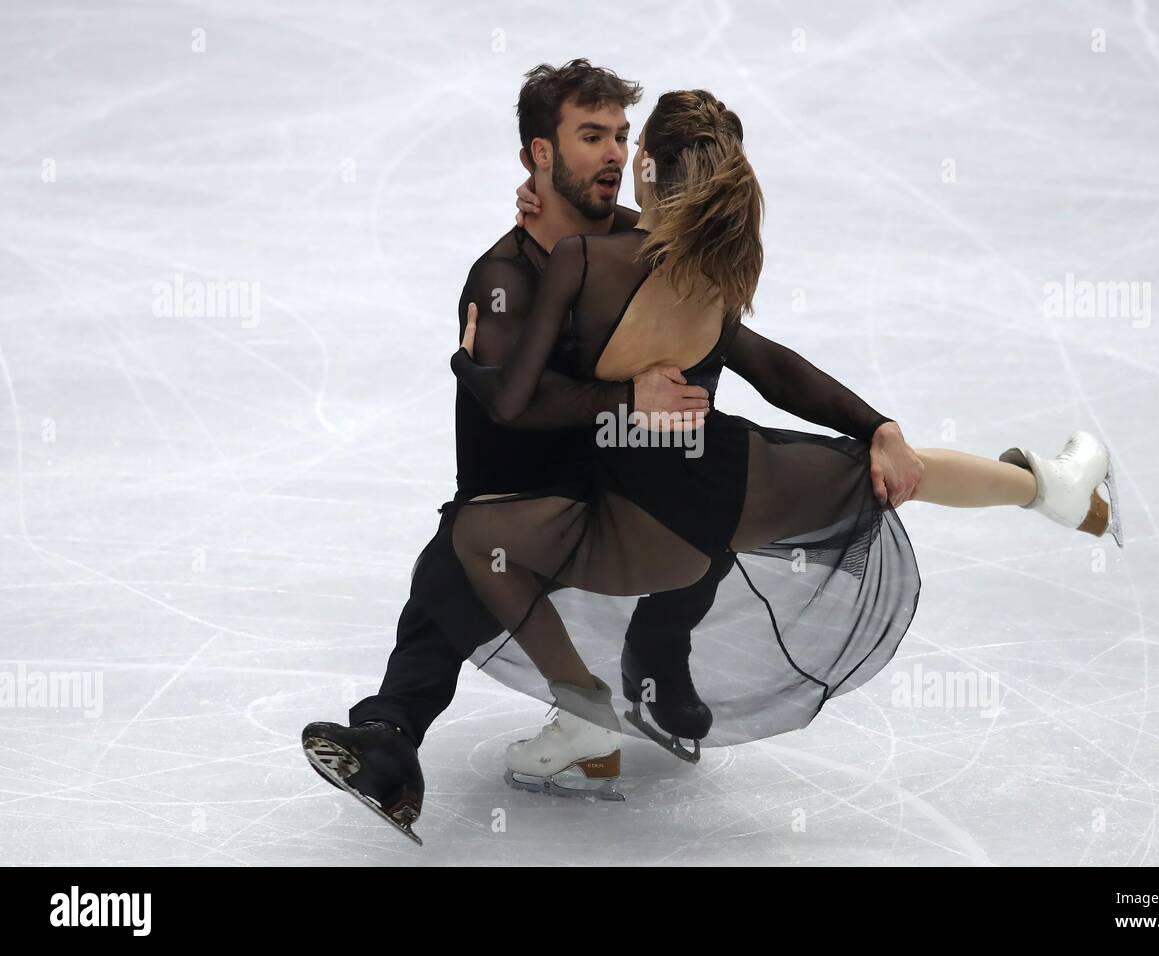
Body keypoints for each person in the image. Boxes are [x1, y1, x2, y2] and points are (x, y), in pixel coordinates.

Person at [300, 61, 928, 842]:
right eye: (590, 136)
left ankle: (654, 669)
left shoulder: (642, 243)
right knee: (458, 557)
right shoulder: (502, 279)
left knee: (712, 471)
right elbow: (513, 416)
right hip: (538, 487)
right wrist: (624, 401)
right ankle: (393, 736)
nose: (612, 154)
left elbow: (751, 351)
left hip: (644, 485)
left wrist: (874, 425)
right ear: (539, 155)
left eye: (621, 137)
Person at [449, 89, 1122, 801]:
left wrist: (467, 365)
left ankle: (584, 714)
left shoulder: (580, 261)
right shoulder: (710, 273)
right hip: (736, 492)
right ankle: (1048, 488)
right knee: (897, 472)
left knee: (475, 535)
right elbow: (773, 371)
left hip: (645, 528)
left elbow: (515, 400)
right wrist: (877, 429)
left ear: (644, 161)